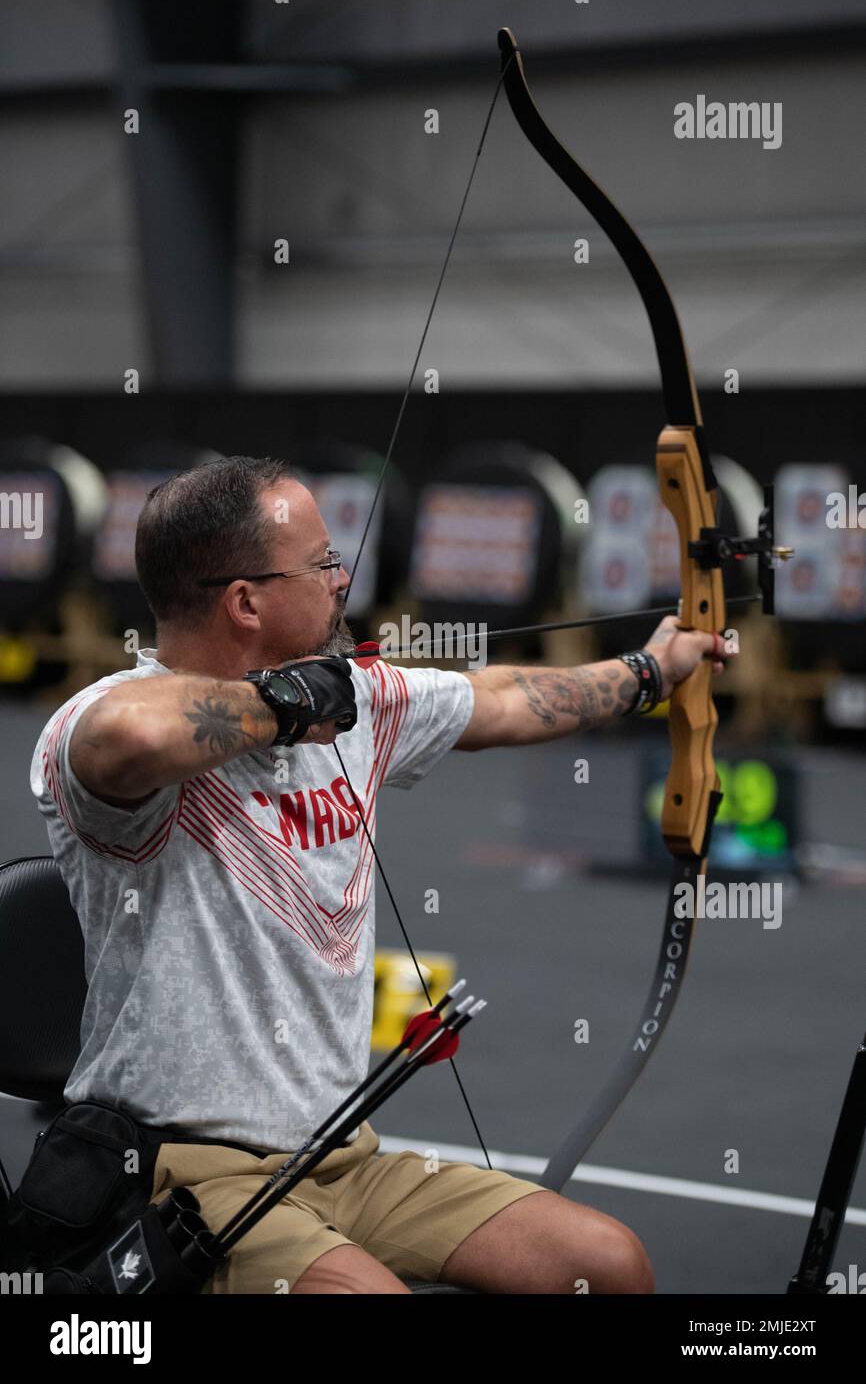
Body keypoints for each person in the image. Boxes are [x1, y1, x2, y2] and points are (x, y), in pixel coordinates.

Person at [31, 455, 724, 1294]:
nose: (342, 579)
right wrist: (287, 703)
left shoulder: (353, 700)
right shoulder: (109, 728)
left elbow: (504, 698)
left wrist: (650, 672)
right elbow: (130, 735)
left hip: (344, 1158)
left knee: (606, 1264)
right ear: (245, 601)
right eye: (321, 563)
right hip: (189, 1175)